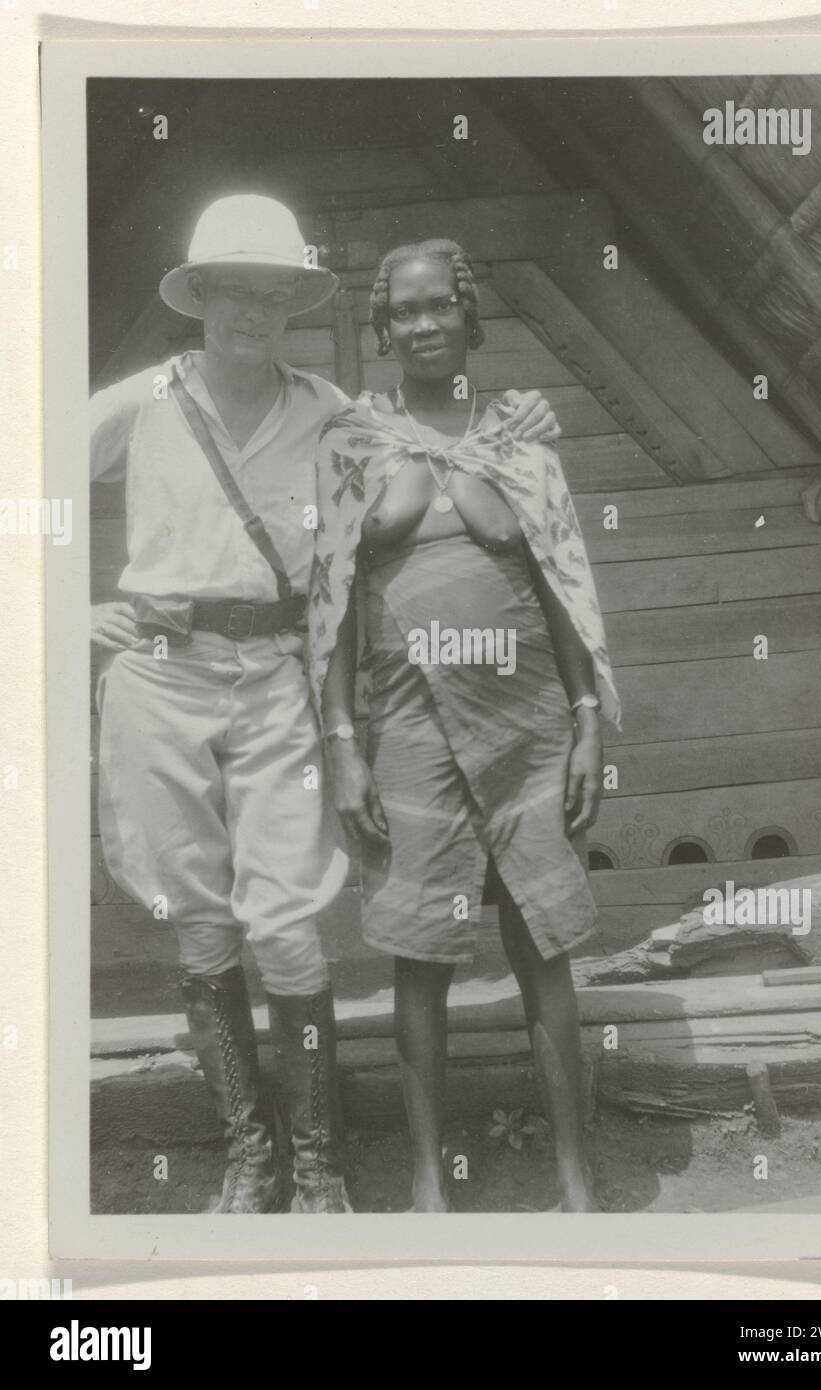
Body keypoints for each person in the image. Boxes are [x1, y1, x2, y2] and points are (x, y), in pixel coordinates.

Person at [90, 198, 559, 1215]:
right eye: (233, 289)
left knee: (291, 931)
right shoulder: (143, 402)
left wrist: (511, 421)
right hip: (160, 681)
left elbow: (427, 445)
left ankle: (316, 1165)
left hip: (274, 683)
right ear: (200, 296)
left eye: (272, 292)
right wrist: (63, 615)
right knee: (202, 931)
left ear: (291, 304)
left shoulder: (326, 412)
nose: (251, 311)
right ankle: (247, 1156)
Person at [310, 239, 620, 1212]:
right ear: (383, 327)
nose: (423, 323)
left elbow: (562, 585)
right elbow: (329, 607)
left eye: (439, 305)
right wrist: (343, 748)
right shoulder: (353, 442)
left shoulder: (521, 437)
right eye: (403, 312)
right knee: (420, 952)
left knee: (543, 938)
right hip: (405, 724)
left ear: (466, 313)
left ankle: (573, 1179)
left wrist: (585, 719)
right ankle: (423, 1182)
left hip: (526, 719)